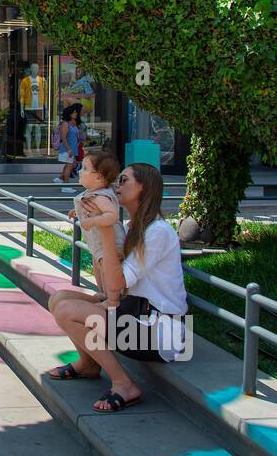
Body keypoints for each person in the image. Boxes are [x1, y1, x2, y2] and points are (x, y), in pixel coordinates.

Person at [47, 163, 189, 412]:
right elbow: (109, 285)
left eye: (124, 180)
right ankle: (88, 363)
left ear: (144, 188)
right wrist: (98, 228)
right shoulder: (130, 228)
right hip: (135, 315)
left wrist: (105, 229)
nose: (116, 186)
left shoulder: (158, 232)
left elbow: (118, 283)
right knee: (58, 299)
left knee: (67, 311)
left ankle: (124, 384)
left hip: (162, 334)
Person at [69, 149, 125, 307]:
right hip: (98, 242)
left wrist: (93, 221)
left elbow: (112, 215)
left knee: (107, 268)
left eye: (85, 168)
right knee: (99, 267)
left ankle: (112, 298)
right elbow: (91, 209)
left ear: (99, 176)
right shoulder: (92, 193)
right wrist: (78, 213)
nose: (80, 171)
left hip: (108, 242)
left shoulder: (101, 196)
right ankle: (104, 292)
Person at [53, 103, 82, 190]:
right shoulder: (65, 124)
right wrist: (69, 149)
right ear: (69, 114)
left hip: (72, 148)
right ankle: (66, 186)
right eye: (74, 113)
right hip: (67, 149)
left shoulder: (72, 123)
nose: (76, 114)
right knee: (69, 166)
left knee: (69, 165)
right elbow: (63, 138)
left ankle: (61, 180)